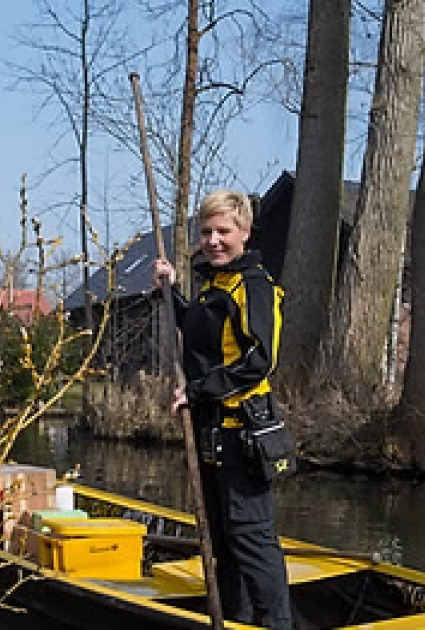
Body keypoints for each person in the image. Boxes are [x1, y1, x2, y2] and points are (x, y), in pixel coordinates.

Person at [153, 189, 293, 629]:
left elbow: (258, 361)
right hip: (212, 434)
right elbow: (198, 333)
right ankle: (235, 620)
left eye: (223, 232)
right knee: (220, 539)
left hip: (245, 434)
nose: (213, 240)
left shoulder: (254, 286)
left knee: (252, 538)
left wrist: (196, 390)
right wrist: (170, 290)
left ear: (245, 234)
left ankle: (276, 624)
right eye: (207, 231)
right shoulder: (212, 283)